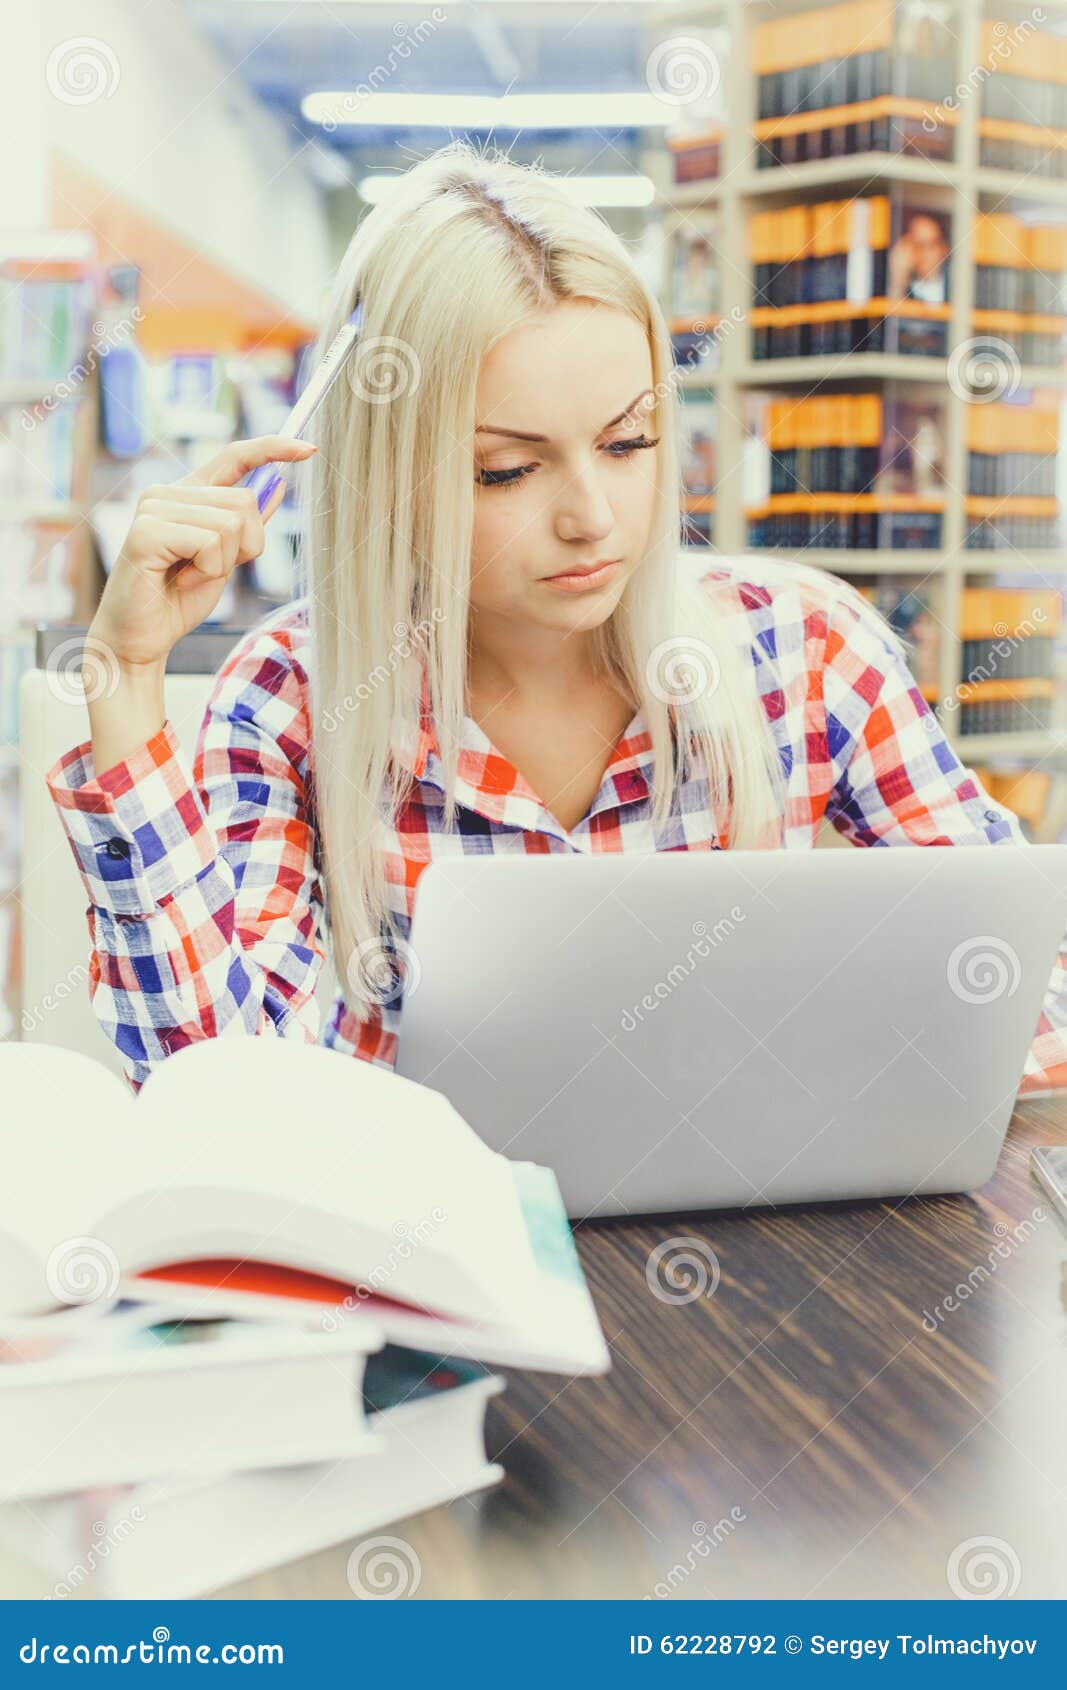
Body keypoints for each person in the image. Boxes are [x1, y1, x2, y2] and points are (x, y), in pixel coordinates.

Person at [45, 141, 1066, 1098]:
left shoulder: (803, 649)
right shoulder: (293, 697)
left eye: (628, 443)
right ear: (389, 474)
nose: (590, 517)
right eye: (507, 468)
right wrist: (126, 678)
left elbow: (1025, 980)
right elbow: (226, 1091)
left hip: (760, 1257)